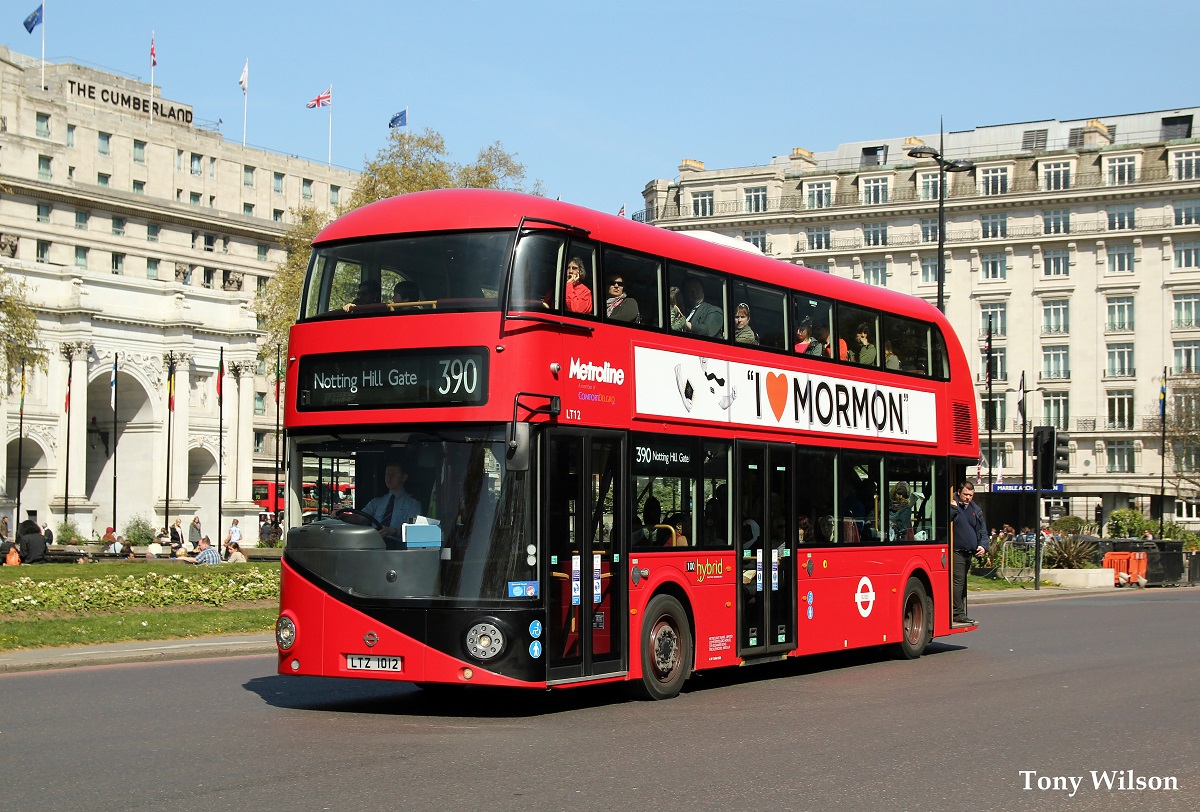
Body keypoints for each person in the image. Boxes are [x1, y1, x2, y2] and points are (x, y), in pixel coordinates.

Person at [951, 481, 988, 625]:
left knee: (962, 582)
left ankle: (960, 611)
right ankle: (957, 613)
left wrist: (983, 546)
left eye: (971, 495)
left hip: (969, 552)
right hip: (956, 551)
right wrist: (953, 509)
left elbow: (982, 531)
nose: (968, 498)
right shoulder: (952, 504)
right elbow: (943, 520)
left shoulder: (975, 509)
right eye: (966, 494)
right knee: (958, 582)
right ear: (959, 492)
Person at [362, 460, 422, 537]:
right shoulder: (376, 502)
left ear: (404, 477)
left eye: (393, 475)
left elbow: (413, 532)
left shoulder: (413, 504)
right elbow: (360, 518)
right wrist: (343, 516)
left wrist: (393, 531)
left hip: (398, 547)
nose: (389, 477)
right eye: (387, 474)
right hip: (374, 545)